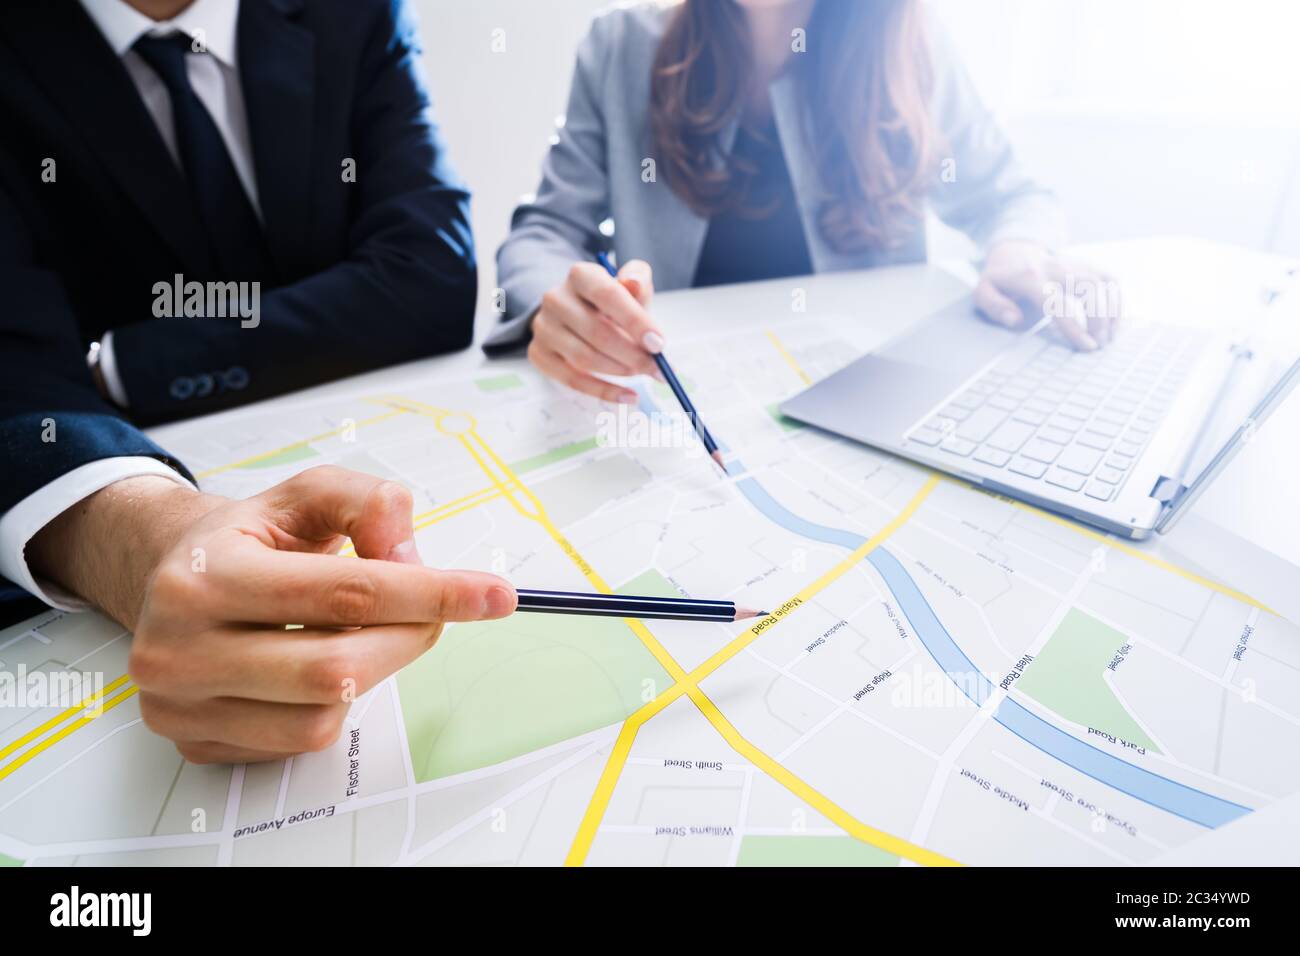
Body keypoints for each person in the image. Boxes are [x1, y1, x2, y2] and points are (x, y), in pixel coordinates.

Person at [0, 0, 515, 762]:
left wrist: (120, 364)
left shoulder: (355, 13)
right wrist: (157, 539)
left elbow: (429, 279)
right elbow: (13, 375)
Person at [490, 0, 1119, 403]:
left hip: (868, 398)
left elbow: (1009, 195)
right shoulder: (621, 44)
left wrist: (1018, 252)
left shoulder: (913, 46)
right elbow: (546, 228)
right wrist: (557, 299)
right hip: (678, 399)